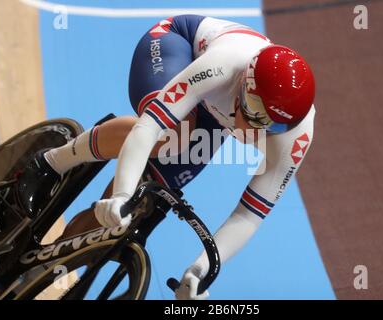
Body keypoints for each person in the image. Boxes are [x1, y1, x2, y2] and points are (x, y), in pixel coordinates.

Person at [17, 15, 316, 300]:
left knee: (131, 215)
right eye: (253, 113)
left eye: (269, 126)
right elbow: (150, 126)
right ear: (244, 84)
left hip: (218, 109)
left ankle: (40, 266)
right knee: (172, 136)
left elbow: (250, 215)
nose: (254, 129)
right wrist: (121, 193)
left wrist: (201, 270)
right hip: (177, 46)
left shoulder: (296, 137)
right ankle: (51, 162)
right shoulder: (225, 63)